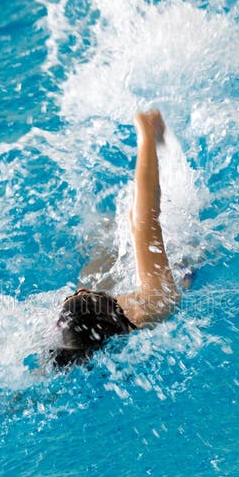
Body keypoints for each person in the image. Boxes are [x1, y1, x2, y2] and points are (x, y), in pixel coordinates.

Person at [51, 110, 180, 367]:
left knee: (100, 239)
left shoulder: (71, 342)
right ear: (87, 292)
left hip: (94, 326)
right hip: (179, 269)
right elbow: (144, 219)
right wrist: (146, 133)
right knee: (189, 249)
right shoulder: (153, 304)